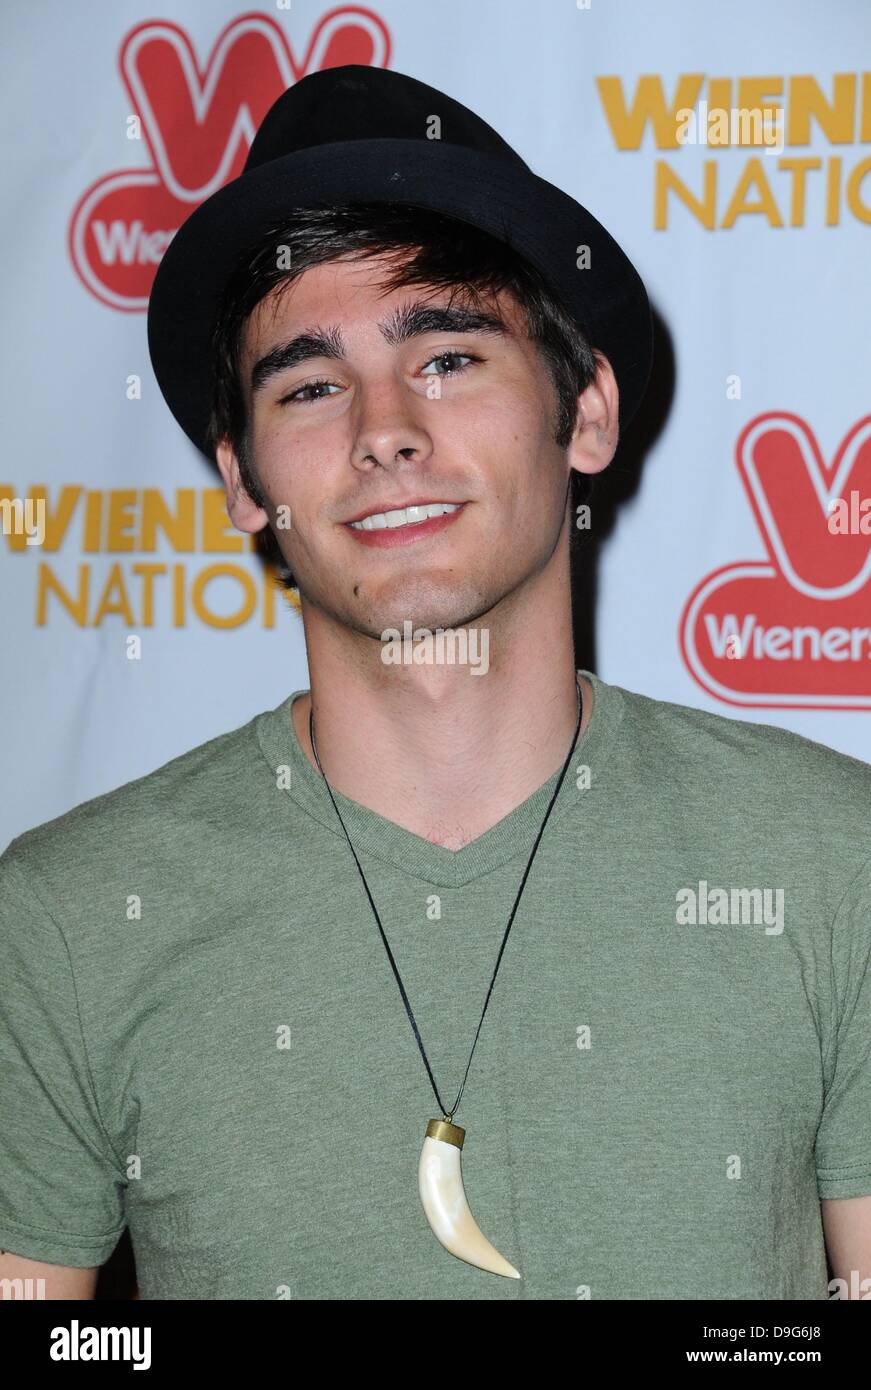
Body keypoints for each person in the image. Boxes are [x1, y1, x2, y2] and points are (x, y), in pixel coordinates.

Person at [1, 66, 869, 1302]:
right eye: (309, 386)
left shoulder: (831, 861)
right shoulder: (68, 920)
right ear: (242, 480)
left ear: (587, 412)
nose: (384, 430)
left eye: (449, 358)